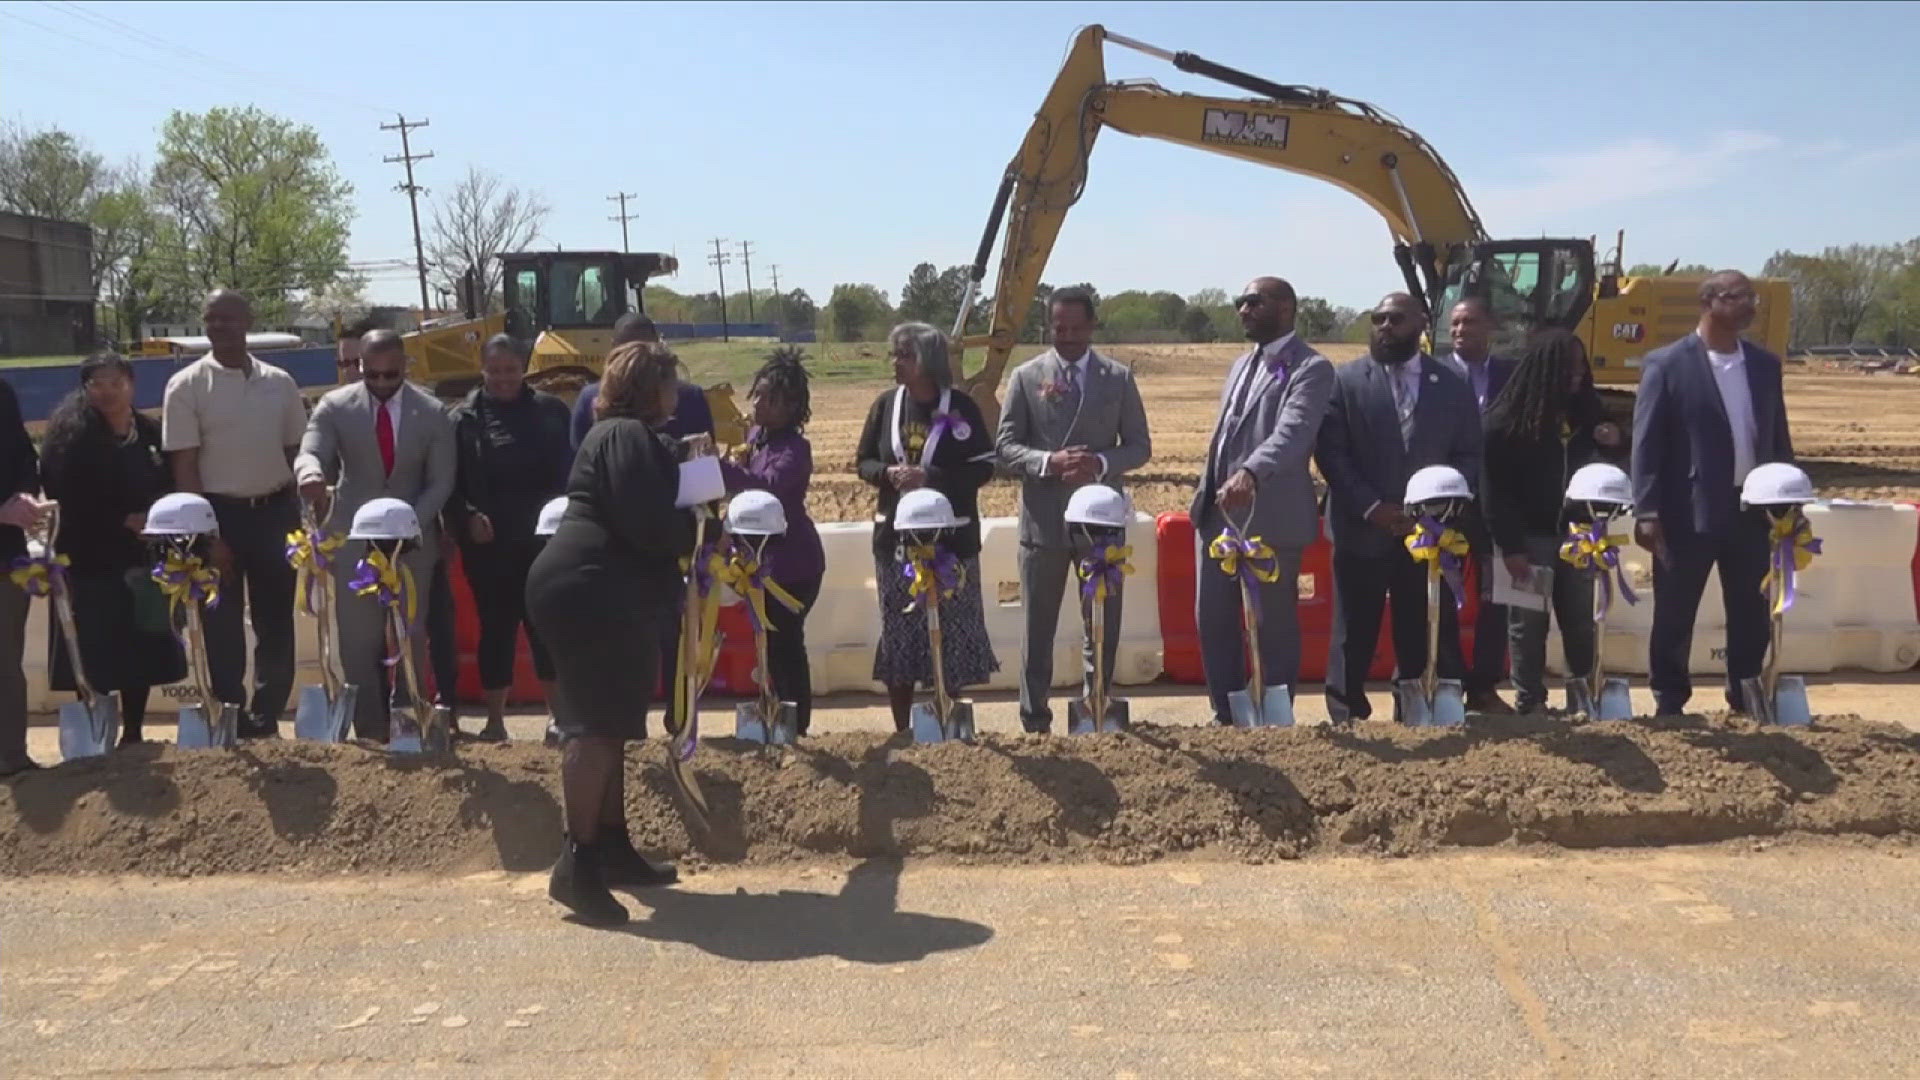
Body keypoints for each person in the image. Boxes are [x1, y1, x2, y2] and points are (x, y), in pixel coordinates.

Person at [527, 341, 689, 926]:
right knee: (593, 729)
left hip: (592, 586)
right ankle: (577, 864)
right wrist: (692, 515)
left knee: (609, 725)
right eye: (671, 382)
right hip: (591, 590)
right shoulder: (627, 437)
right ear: (652, 387)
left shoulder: (619, 436)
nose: (678, 393)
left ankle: (611, 846)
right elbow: (648, 524)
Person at [1631, 270, 1794, 716]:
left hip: (1753, 510)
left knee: (1751, 608)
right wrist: (1645, 508)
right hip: (1687, 512)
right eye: (1739, 297)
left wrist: (1790, 499)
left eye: (1752, 298)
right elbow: (1646, 442)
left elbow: (1777, 436)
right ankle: (1669, 698)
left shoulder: (1763, 365)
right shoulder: (1666, 364)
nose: (1751, 306)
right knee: (1675, 610)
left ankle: (1745, 692)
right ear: (1709, 302)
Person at [1316, 292, 1483, 724]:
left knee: (1423, 622)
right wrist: (1372, 507)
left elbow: (1468, 453)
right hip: (1362, 527)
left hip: (1428, 533)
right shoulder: (1346, 380)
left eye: (1395, 319)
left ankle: (1416, 706)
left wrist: (1435, 510)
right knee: (1354, 630)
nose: (1384, 327)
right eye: (1378, 319)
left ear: (1422, 323)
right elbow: (1332, 453)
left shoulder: (1450, 385)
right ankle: (1346, 712)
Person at [995, 288, 1152, 734]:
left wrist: (1099, 464)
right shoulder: (1027, 377)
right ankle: (1034, 719)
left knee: (1101, 623)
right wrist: (1048, 462)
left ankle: (1096, 708)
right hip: (1042, 524)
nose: (1066, 336)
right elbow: (1004, 448)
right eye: (1058, 328)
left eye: (1076, 328)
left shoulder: (1117, 378)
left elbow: (1139, 446)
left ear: (1092, 326)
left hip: (1100, 527)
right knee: (1036, 627)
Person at [160, 289, 310, 738]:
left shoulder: (279, 382)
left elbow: (296, 450)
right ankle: (231, 716)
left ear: (248, 321)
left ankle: (266, 718)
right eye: (210, 319)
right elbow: (184, 464)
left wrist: (306, 512)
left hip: (275, 513)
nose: (218, 327)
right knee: (221, 625)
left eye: (227, 318)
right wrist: (209, 535)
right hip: (217, 516)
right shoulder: (185, 386)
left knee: (275, 621)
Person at [294, 329, 456, 741]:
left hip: (413, 541)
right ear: (359, 366)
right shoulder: (334, 406)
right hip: (352, 539)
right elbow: (312, 448)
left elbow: (441, 482)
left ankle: (408, 719)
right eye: (374, 375)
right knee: (358, 638)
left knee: (412, 634)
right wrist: (310, 472)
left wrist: (403, 524)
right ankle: (369, 727)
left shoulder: (432, 412)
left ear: (405, 366)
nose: (383, 384)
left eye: (392, 375)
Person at [1188, 277, 1334, 725]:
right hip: (1218, 515)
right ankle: (1228, 713)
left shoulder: (1311, 368)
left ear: (1287, 309)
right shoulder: (1239, 365)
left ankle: (1275, 713)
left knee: (1273, 623)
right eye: (1241, 302)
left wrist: (1251, 473)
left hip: (1269, 513)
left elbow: (1293, 433)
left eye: (1256, 302)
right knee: (1212, 618)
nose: (1244, 310)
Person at [855, 322, 999, 731]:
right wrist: (887, 473)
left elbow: (984, 467)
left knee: (951, 632)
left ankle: (946, 719)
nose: (895, 362)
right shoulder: (885, 405)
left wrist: (930, 477)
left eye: (905, 355)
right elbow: (863, 461)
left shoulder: (962, 408)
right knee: (901, 633)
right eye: (894, 354)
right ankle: (904, 729)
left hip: (951, 541)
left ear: (929, 361)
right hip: (896, 542)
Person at [40, 353, 187, 746]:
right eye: (97, 385)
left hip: (142, 557)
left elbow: (170, 483)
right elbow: (61, 495)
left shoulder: (151, 432)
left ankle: (134, 733)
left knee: (138, 644)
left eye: (116, 384)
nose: (107, 393)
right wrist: (119, 519)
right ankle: (95, 732)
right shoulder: (68, 436)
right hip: (89, 556)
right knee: (94, 645)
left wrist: (155, 517)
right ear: (86, 389)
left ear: (132, 384)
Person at [1480, 331, 1615, 713]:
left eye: (1580, 366)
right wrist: (1510, 546)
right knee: (1527, 626)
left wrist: (1614, 438)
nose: (1576, 374)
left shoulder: (1587, 416)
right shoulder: (1503, 423)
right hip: (1526, 540)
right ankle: (1530, 702)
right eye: (1567, 367)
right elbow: (1494, 493)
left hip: (1577, 537)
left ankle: (1584, 698)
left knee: (1580, 622)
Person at [447, 334, 573, 741]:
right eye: (495, 370)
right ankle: (495, 722)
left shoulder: (552, 412)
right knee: (496, 629)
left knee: (547, 629)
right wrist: (467, 517)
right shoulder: (462, 419)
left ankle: (558, 719)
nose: (504, 378)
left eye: (511, 370)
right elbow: (449, 482)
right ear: (482, 369)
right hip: (488, 547)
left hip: (543, 544)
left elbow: (570, 476)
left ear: (524, 368)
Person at [720, 346, 825, 734]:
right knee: (768, 644)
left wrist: (722, 472)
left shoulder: (795, 450)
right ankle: (772, 713)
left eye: (770, 398)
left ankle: (796, 726)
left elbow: (768, 489)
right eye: (758, 394)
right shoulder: (756, 438)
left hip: (793, 566)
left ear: (792, 407)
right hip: (757, 563)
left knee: (785, 645)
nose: (759, 403)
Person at [1441, 297, 1518, 714]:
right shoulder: (1435, 375)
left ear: (1489, 327)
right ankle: (1450, 683)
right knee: (1445, 592)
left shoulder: (1512, 375)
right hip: (1448, 507)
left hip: (1498, 504)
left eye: (1469, 322)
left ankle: (1485, 687)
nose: (1459, 330)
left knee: (1497, 597)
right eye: (1454, 323)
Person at [569, 314, 713, 450]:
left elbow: (577, 456)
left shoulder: (590, 398)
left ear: (613, 346)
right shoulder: (690, 396)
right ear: (657, 344)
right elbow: (705, 458)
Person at [0, 374, 47, 776]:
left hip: (5, 558)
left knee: (5, 665)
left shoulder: (2, 391)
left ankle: (11, 759)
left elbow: (22, 458)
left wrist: (26, 495)